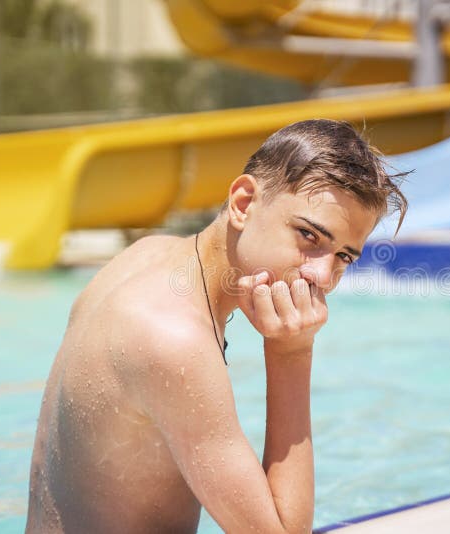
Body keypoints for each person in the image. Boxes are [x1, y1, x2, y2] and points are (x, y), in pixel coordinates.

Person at [25, 119, 408, 533]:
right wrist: (292, 352)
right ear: (243, 203)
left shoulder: (147, 256)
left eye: (343, 256)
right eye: (308, 235)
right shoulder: (172, 337)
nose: (322, 276)